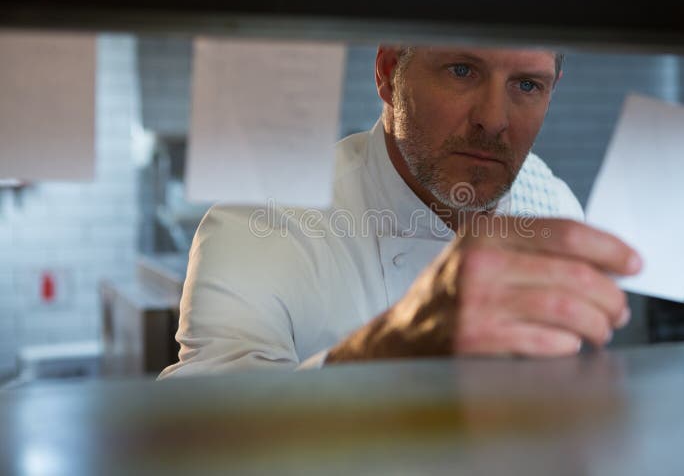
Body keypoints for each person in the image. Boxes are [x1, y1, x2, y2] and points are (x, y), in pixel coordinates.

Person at [159, 45, 641, 378]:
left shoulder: (553, 208)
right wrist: (395, 347)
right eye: (461, 70)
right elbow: (198, 439)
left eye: (527, 85)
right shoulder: (262, 225)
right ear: (388, 72)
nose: (493, 119)